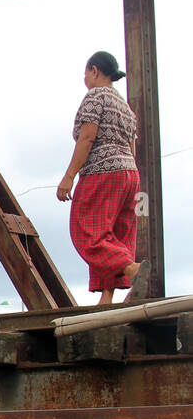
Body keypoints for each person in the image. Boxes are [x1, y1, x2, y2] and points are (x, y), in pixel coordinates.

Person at [57, 50, 148, 304]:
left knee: (87, 231)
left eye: (86, 73)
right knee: (115, 235)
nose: (85, 78)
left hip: (102, 171)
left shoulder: (96, 96)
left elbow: (87, 137)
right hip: (129, 174)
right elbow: (132, 147)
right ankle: (106, 299)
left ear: (95, 71)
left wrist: (69, 176)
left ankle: (133, 270)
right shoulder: (125, 106)